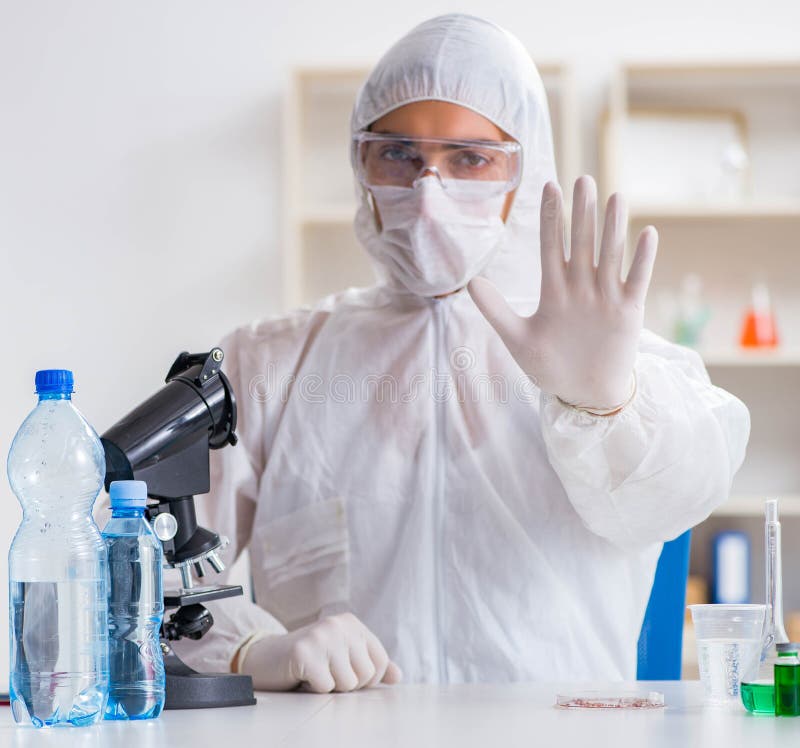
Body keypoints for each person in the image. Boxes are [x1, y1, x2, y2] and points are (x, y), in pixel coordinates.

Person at [171, 13, 750, 692]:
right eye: (397, 154)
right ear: (360, 162)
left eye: (471, 158)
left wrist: (607, 405)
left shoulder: (599, 351)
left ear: (523, 169)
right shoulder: (269, 362)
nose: (428, 191)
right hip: (343, 733)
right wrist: (249, 651)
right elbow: (148, 569)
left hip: (554, 730)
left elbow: (683, 492)